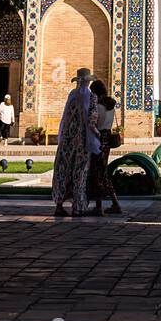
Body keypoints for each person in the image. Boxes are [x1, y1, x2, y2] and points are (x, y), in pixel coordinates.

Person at [52, 67, 99, 218]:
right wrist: (98, 135)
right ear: (88, 81)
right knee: (80, 173)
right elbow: (92, 121)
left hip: (66, 140)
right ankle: (77, 207)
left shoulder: (72, 95)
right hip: (82, 142)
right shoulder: (92, 97)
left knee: (62, 171)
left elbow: (65, 117)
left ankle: (59, 205)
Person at [88, 80, 123, 216]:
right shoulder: (111, 106)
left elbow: (96, 124)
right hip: (107, 138)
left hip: (99, 139)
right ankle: (114, 203)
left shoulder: (99, 107)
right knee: (102, 172)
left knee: (98, 173)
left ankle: (99, 206)